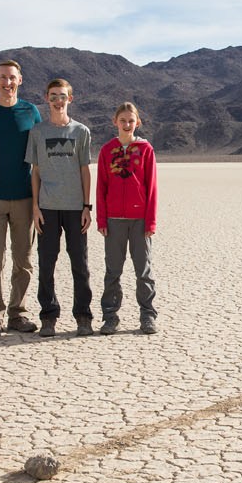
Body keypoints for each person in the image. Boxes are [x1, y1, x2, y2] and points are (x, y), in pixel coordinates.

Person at [0, 59, 42, 337]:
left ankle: (18, 313)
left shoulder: (31, 111)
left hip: (24, 196)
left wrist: (40, 199)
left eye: (12, 77)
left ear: (20, 80)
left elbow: (40, 156)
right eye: (3, 77)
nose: (7, 82)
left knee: (23, 259)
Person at [26, 78, 95, 338]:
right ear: (46, 98)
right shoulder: (38, 132)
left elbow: (84, 170)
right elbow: (35, 172)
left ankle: (83, 316)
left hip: (75, 208)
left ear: (70, 99)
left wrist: (87, 206)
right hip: (47, 208)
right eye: (53, 96)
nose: (58, 101)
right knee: (46, 264)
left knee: (80, 264)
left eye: (62, 96)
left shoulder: (81, 131)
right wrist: (35, 207)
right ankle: (48, 316)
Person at [96, 101, 158, 335]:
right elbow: (101, 187)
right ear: (115, 122)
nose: (127, 124)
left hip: (139, 220)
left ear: (137, 123)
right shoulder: (107, 150)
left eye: (131, 121)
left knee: (143, 270)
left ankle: (148, 315)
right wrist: (102, 219)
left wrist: (150, 221)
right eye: (122, 120)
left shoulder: (145, 149)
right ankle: (110, 317)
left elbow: (151, 187)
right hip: (114, 221)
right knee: (113, 271)